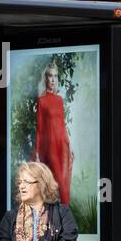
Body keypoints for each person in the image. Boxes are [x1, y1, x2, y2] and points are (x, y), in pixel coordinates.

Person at [33, 61, 73, 205]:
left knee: (64, 186)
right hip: (50, 148)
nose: (53, 79)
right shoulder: (42, 101)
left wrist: (69, 146)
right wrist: (37, 152)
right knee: (54, 186)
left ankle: (64, 221)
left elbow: (62, 125)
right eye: (50, 76)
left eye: (55, 76)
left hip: (62, 146)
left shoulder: (60, 100)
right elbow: (39, 129)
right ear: (46, 78)